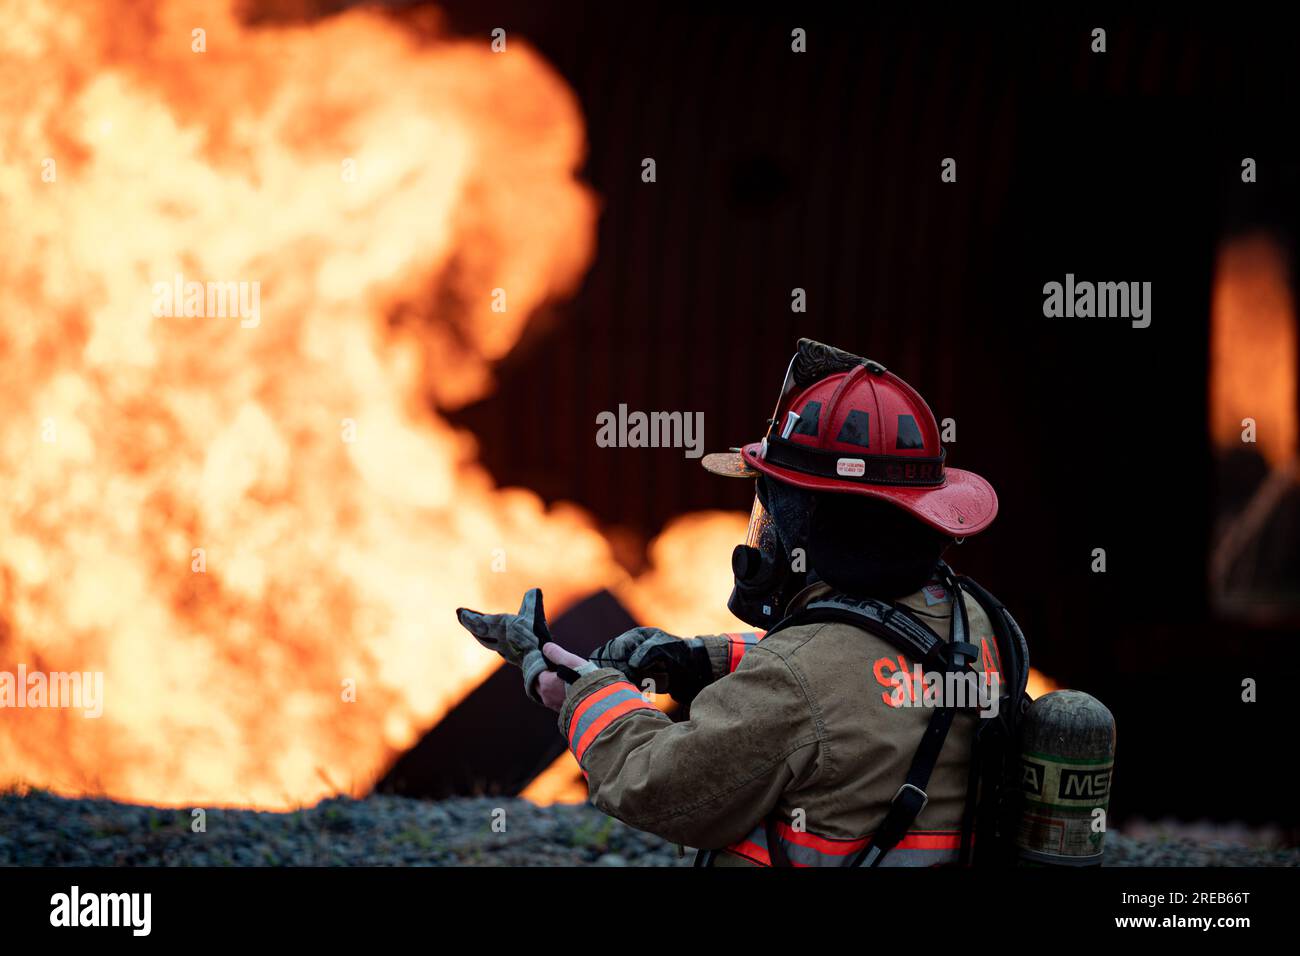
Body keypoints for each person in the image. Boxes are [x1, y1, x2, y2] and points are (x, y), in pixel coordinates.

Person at [457, 339, 1029, 867]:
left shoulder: (794, 679)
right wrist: (694, 659)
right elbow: (859, 670)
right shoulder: (983, 624)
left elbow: (657, 787)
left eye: (773, 508)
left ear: (813, 522)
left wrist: (578, 693)